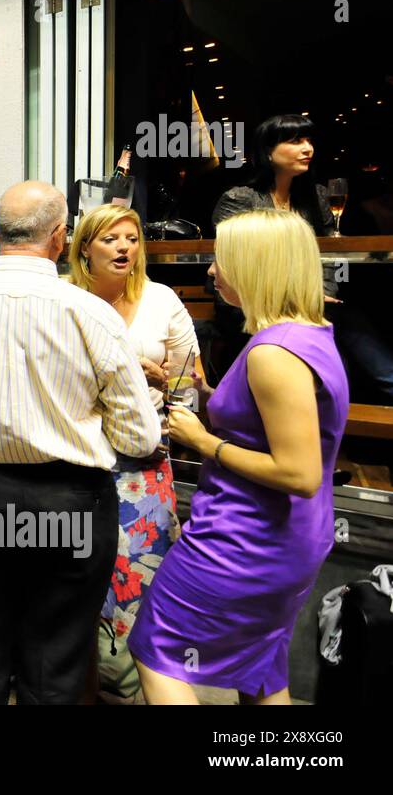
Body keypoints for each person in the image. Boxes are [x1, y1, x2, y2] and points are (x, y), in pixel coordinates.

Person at [0, 181, 160, 705]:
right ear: (60, 238)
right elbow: (139, 432)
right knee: (58, 660)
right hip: (73, 501)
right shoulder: (92, 313)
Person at [129, 209, 349, 704]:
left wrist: (207, 443)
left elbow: (299, 472)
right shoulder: (307, 333)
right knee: (263, 667)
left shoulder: (275, 352)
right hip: (288, 539)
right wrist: (207, 391)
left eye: (221, 260)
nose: (211, 271)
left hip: (246, 540)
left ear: (256, 265)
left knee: (156, 645)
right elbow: (274, 424)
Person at [66, 204, 203, 683]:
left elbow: (189, 377)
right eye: (110, 239)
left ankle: (135, 677)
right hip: (81, 460)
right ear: (85, 247)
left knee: (142, 578)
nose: (124, 247)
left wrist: (174, 403)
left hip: (145, 462)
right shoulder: (66, 300)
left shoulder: (162, 299)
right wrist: (123, 365)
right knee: (80, 578)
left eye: (131, 238)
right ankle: (85, 680)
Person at [211, 114, 393, 404]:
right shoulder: (240, 199)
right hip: (255, 307)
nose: (307, 148)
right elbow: (233, 264)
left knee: (373, 356)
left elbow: (328, 255)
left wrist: (322, 293)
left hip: (312, 306)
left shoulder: (317, 196)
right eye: (295, 141)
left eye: (309, 140)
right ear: (268, 151)